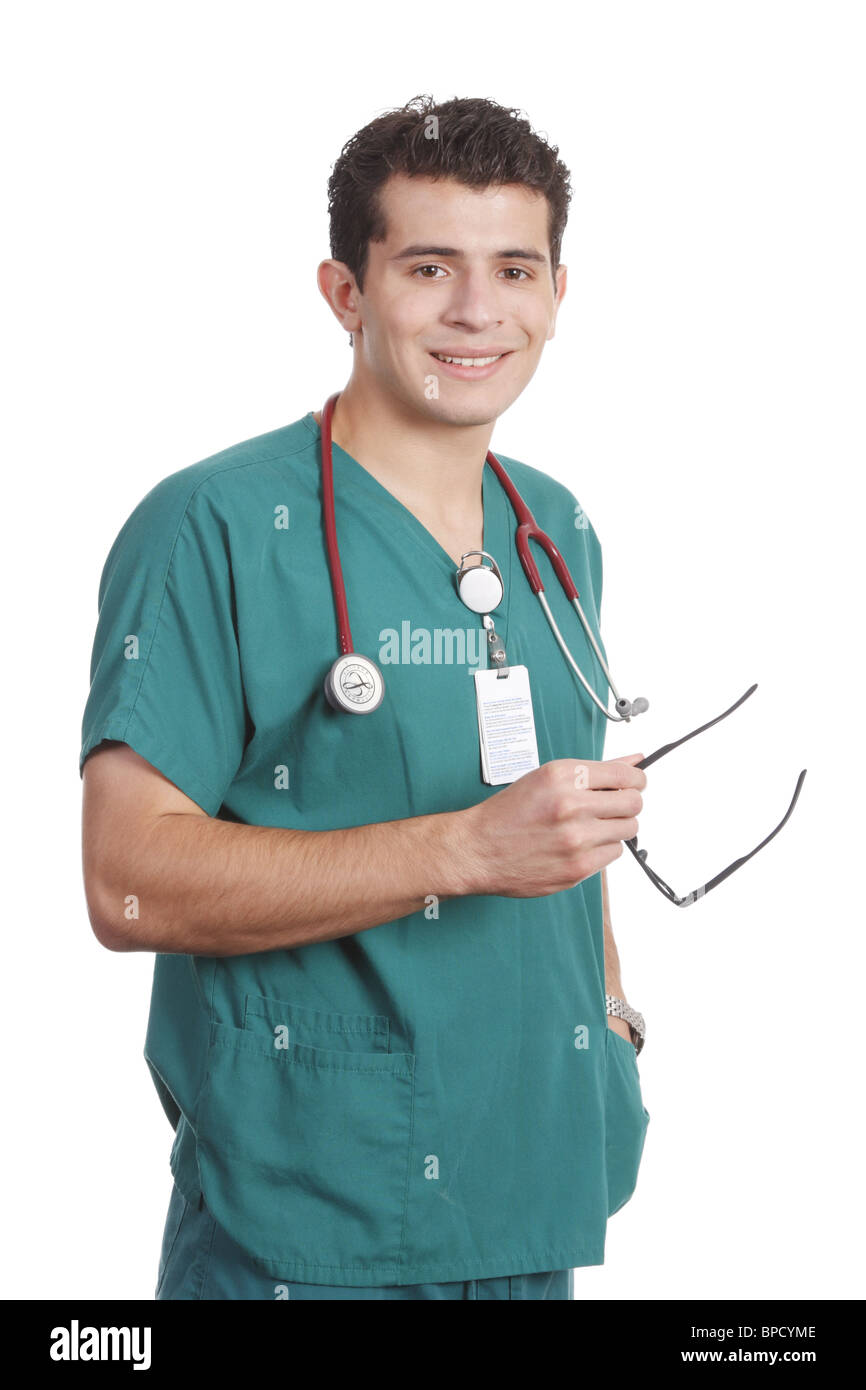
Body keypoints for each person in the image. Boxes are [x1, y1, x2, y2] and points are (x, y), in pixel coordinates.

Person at [79, 94, 650, 1302]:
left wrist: (610, 1016)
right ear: (345, 292)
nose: (477, 312)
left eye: (514, 268)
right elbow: (124, 881)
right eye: (429, 266)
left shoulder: (557, 530)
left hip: (531, 1189)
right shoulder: (216, 526)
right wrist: (461, 847)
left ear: (559, 292)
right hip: (309, 1215)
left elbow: (563, 826)